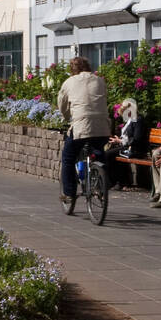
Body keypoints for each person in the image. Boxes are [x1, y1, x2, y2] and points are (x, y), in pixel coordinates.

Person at [56, 57, 112, 210]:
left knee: (68, 157)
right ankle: (101, 184)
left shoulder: (69, 82)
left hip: (81, 125)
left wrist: (67, 118)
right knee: (98, 150)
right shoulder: (100, 80)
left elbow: (62, 104)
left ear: (73, 70)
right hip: (102, 127)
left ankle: (68, 193)